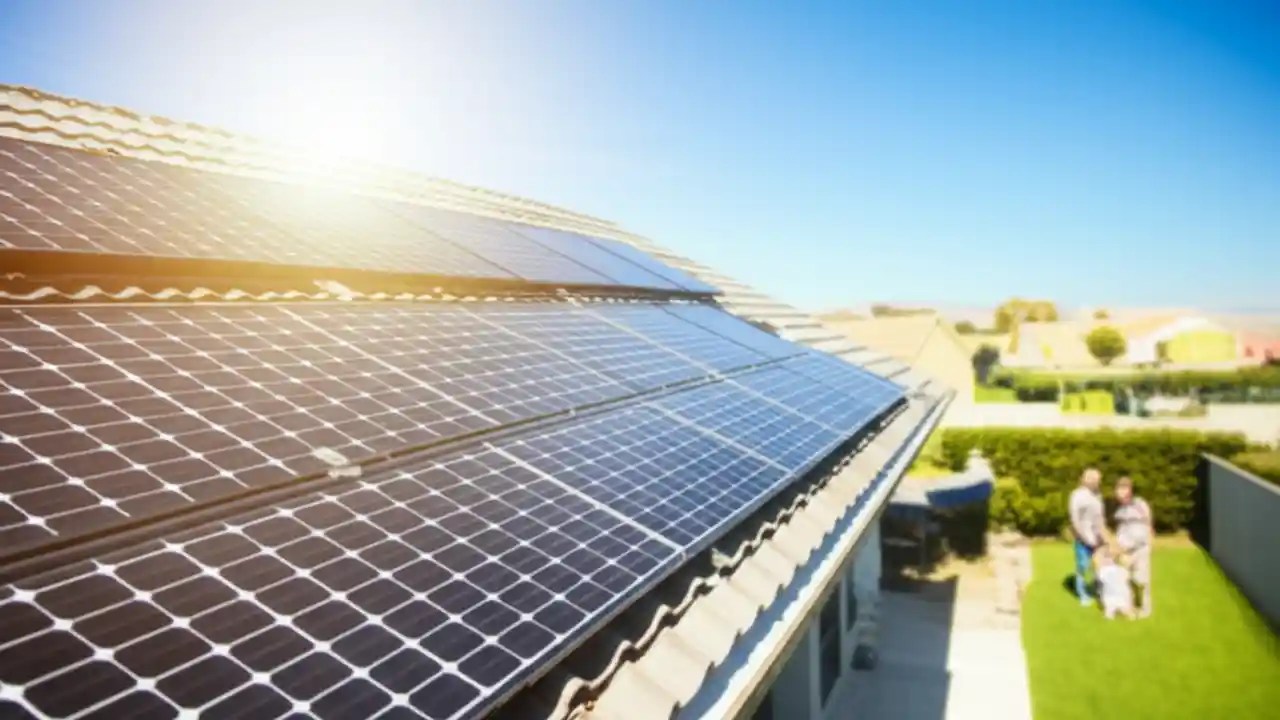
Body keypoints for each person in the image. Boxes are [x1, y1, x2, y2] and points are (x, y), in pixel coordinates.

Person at [1113, 476, 1154, 617]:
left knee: (1141, 580)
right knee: (1126, 579)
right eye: (1118, 489)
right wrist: (1118, 548)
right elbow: (1120, 531)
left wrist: (1129, 545)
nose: (1119, 493)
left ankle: (1145, 608)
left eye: (1123, 489)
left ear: (1130, 490)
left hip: (1140, 549)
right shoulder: (1120, 510)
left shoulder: (1140, 505)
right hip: (1124, 551)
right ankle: (1129, 607)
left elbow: (1144, 529)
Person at [1068, 468, 1105, 606]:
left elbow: (1100, 517)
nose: (1094, 481)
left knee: (1099, 566)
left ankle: (1098, 591)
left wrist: (1102, 536)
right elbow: (1074, 518)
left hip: (1098, 538)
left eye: (1097, 479)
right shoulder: (1076, 495)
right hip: (1083, 538)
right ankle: (1082, 594)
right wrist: (1082, 537)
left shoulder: (1098, 495)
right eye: (1091, 478)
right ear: (1084, 479)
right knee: (1083, 566)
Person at [1095, 547, 1135, 620]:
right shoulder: (1124, 571)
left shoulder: (1103, 571)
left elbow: (1099, 579)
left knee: (1108, 611)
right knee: (1128, 590)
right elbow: (1128, 580)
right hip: (1123, 598)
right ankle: (1128, 611)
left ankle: (1110, 612)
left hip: (1109, 599)